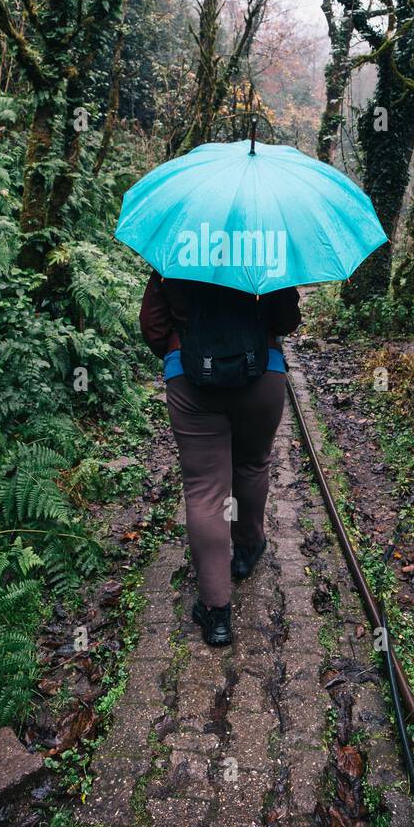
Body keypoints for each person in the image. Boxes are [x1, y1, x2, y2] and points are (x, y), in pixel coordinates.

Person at [139, 272, 301, 646]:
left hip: (190, 380)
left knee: (204, 491)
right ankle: (246, 550)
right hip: (261, 374)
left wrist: (181, 352)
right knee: (252, 463)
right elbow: (285, 320)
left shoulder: (177, 248)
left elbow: (152, 325)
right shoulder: (265, 248)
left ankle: (216, 615)